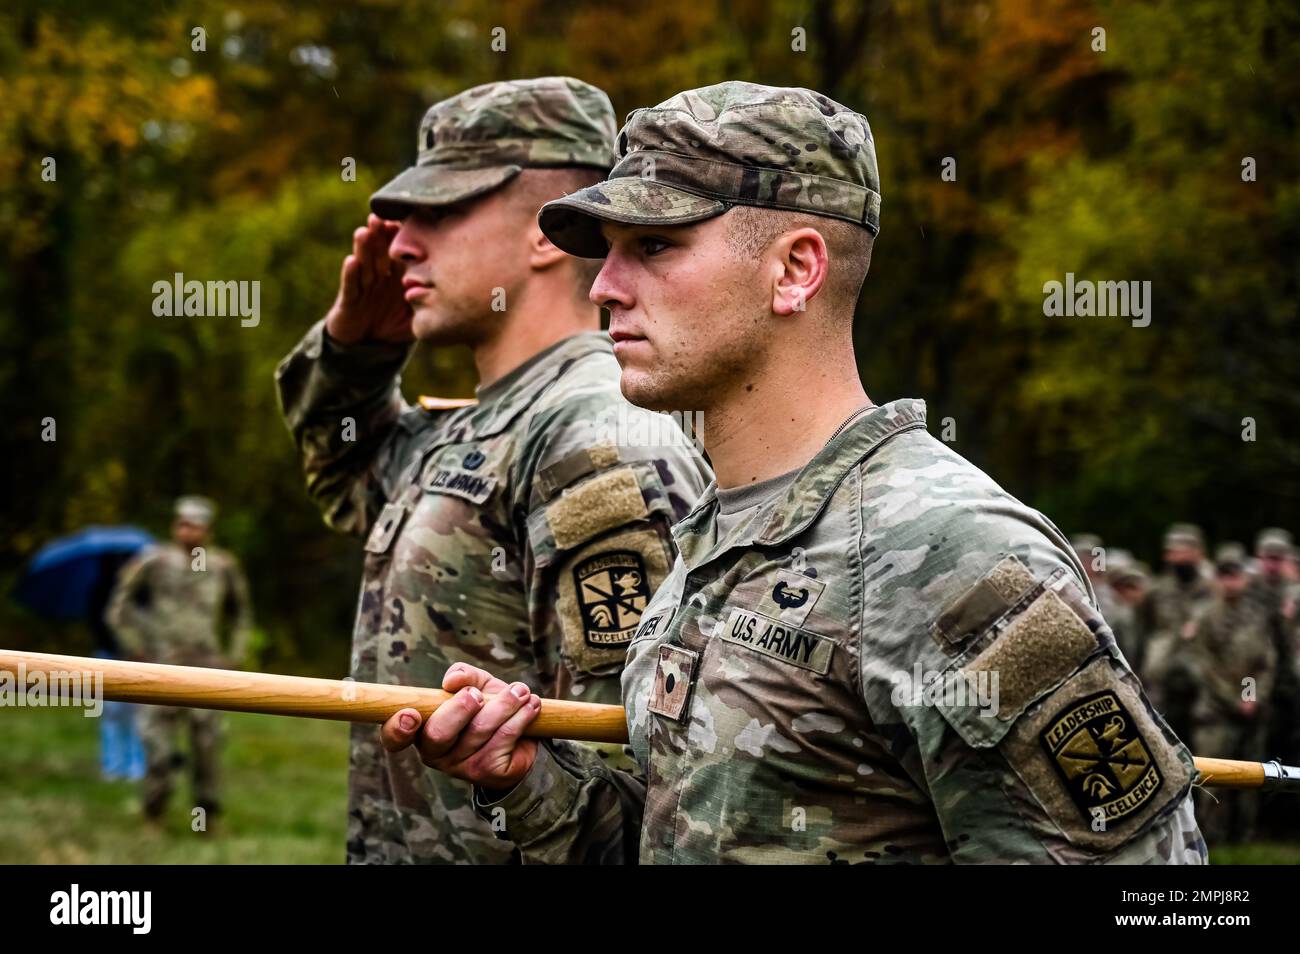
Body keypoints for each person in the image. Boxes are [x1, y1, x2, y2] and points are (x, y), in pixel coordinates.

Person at [380, 82, 1207, 864]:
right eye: (607, 253)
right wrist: (526, 784)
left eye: (654, 246)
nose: (604, 285)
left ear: (795, 270)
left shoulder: (948, 553)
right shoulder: (712, 533)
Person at [276, 77, 713, 864]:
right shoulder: (480, 423)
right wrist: (357, 352)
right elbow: (344, 477)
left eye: (438, 214)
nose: (400, 243)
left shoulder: (594, 436)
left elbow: (645, 783)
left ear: (548, 234)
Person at [106, 495, 253, 825]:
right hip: (160, 667)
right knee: (157, 748)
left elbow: (241, 615)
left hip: (207, 671)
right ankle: (153, 814)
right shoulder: (153, 561)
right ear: (175, 526)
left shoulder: (222, 567)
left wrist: (234, 656)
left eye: (197, 526)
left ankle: (206, 818)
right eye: (184, 524)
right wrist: (135, 646)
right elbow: (119, 606)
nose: (189, 532)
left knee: (207, 750)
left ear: (209, 531)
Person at [1188, 543, 1277, 844]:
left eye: (1235, 574)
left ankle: (1243, 838)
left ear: (1245, 577)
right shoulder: (1206, 616)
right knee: (1214, 779)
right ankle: (1211, 841)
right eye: (1224, 574)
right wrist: (1233, 699)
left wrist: (1252, 697)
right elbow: (1204, 666)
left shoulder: (1258, 616)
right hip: (1215, 711)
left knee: (1251, 775)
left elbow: (1266, 662)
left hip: (1252, 711)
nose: (1230, 580)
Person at [1139, 523, 1213, 745]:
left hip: (1203, 681)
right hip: (1162, 679)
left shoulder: (1212, 590)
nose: (1175, 557)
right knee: (1159, 739)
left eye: (1182, 551)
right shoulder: (1157, 590)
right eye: (1172, 552)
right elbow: (1144, 628)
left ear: (1197, 553)